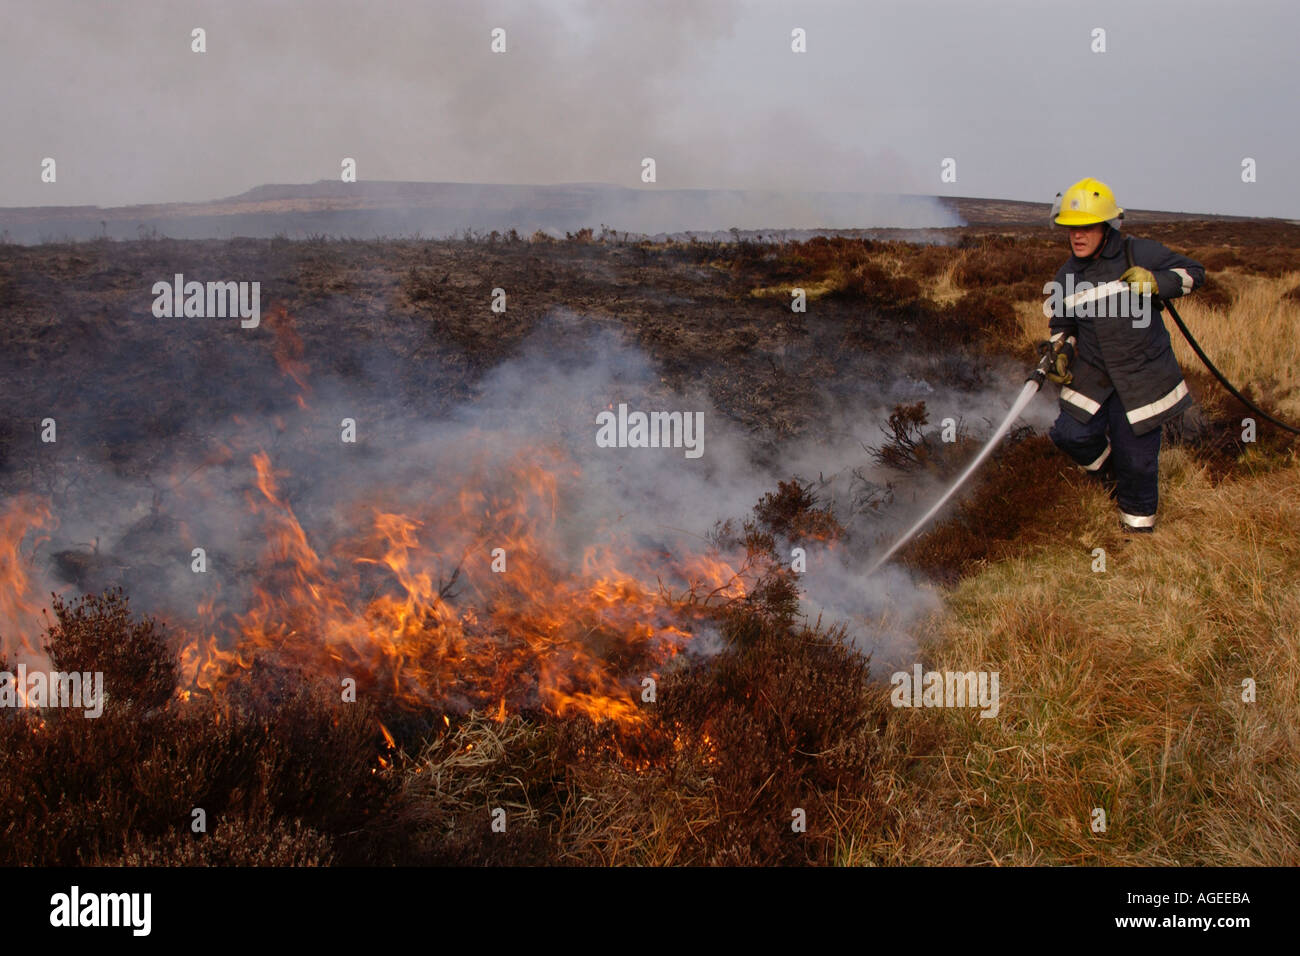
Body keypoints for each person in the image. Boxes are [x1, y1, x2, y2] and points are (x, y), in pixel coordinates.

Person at [1041, 177, 1205, 533]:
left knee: (1138, 461)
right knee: (1071, 434)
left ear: (1106, 226)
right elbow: (1062, 322)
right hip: (1095, 375)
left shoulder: (1138, 253)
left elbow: (1195, 273)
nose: (1077, 237)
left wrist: (1157, 282)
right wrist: (1062, 351)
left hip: (1140, 376)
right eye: (1071, 229)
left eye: (1085, 228)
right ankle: (1109, 476)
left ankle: (1137, 532)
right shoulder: (1067, 274)